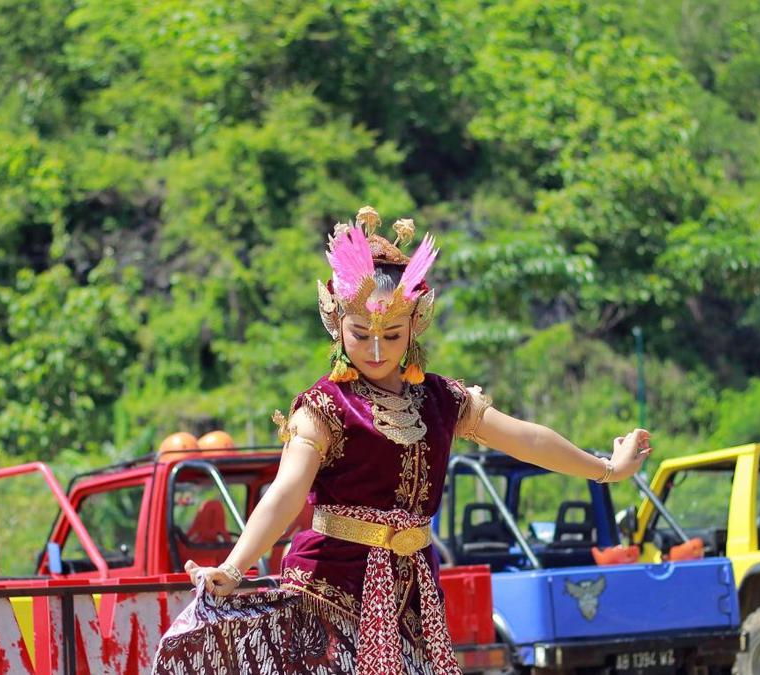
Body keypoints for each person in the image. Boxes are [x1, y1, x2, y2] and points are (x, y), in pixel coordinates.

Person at [152, 207, 652, 674]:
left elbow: (525, 439)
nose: (375, 350)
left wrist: (607, 468)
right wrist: (235, 568)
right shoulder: (324, 408)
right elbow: (284, 493)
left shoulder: (441, 399)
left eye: (391, 335)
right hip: (329, 589)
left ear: (415, 324)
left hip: (413, 592)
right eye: (359, 333)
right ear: (335, 324)